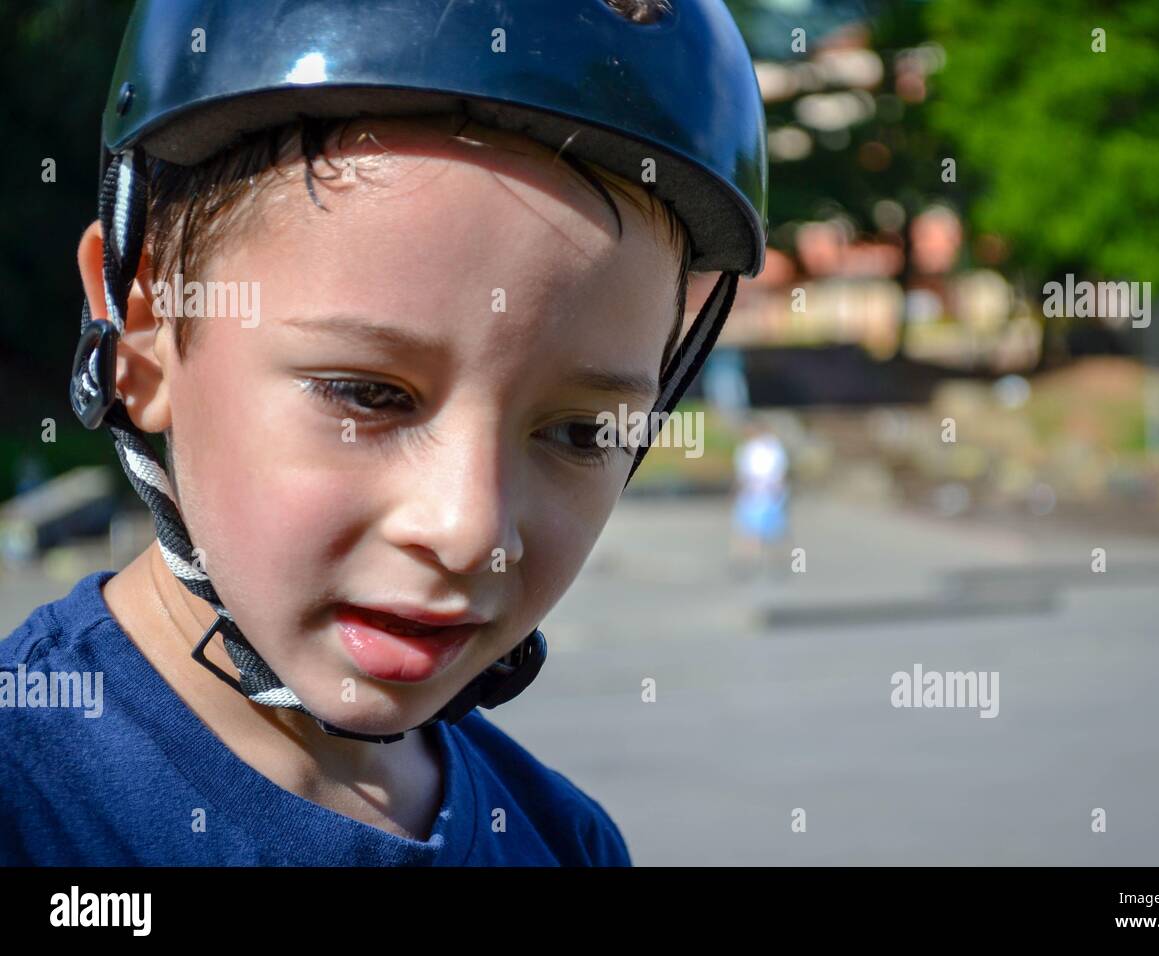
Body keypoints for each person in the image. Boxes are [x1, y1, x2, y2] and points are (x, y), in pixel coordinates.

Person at [0, 0, 767, 865]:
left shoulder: (568, 843)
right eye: (369, 394)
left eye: (583, 431)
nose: (471, 532)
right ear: (140, 340)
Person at [730, 418, 791, 577]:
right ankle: (748, 563)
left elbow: (779, 471)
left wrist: (777, 491)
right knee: (749, 531)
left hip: (769, 494)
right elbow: (742, 473)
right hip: (751, 494)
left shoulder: (772, 446)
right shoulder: (747, 447)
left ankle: (776, 563)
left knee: (773, 532)